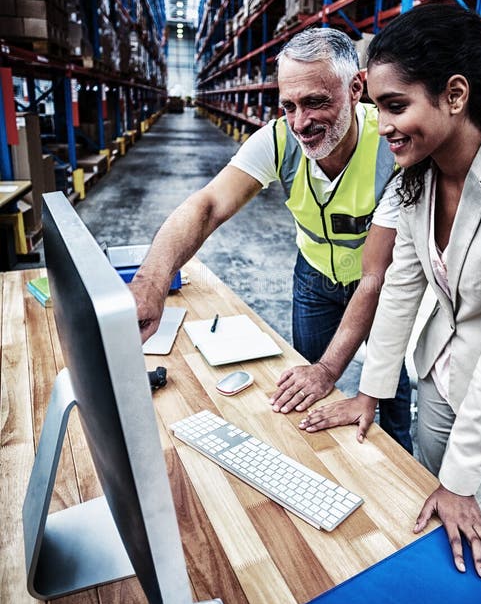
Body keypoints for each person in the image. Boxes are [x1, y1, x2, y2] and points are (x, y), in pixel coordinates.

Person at [300, 3, 481, 578]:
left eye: (395, 105)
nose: (381, 126)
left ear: (455, 95)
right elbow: (398, 292)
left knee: (452, 518)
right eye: (376, 106)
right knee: (420, 493)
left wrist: (462, 485)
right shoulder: (418, 176)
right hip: (438, 368)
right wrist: (372, 392)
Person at [130, 27, 413, 450]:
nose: (301, 122)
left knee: (388, 387)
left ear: (356, 88)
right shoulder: (279, 140)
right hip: (315, 280)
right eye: (289, 106)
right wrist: (151, 282)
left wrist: (330, 369)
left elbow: (380, 276)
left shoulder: (391, 145)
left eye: (316, 102)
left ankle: (404, 465)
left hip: (381, 283)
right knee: (309, 386)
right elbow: (207, 205)